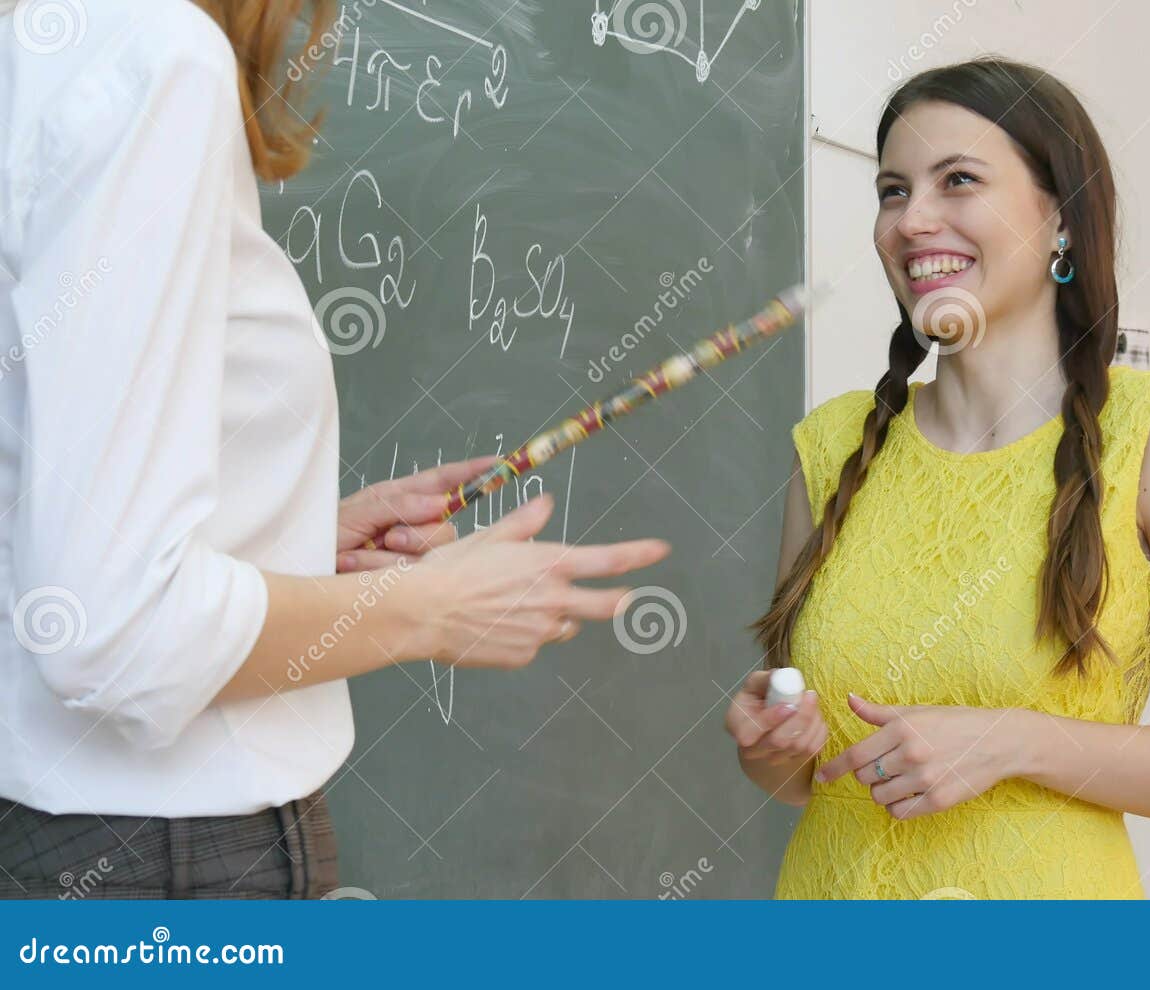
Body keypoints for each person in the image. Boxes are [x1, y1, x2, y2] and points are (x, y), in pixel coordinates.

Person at [0, 0, 669, 898]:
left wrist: (294, 544)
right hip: (163, 862)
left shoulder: (48, 50)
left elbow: (51, 536)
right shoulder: (159, 58)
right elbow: (114, 634)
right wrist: (428, 607)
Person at [724, 57, 1150, 899]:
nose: (913, 220)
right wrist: (770, 747)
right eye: (892, 191)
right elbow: (803, 780)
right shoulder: (835, 445)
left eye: (958, 181)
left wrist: (1013, 743)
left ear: (1060, 216)